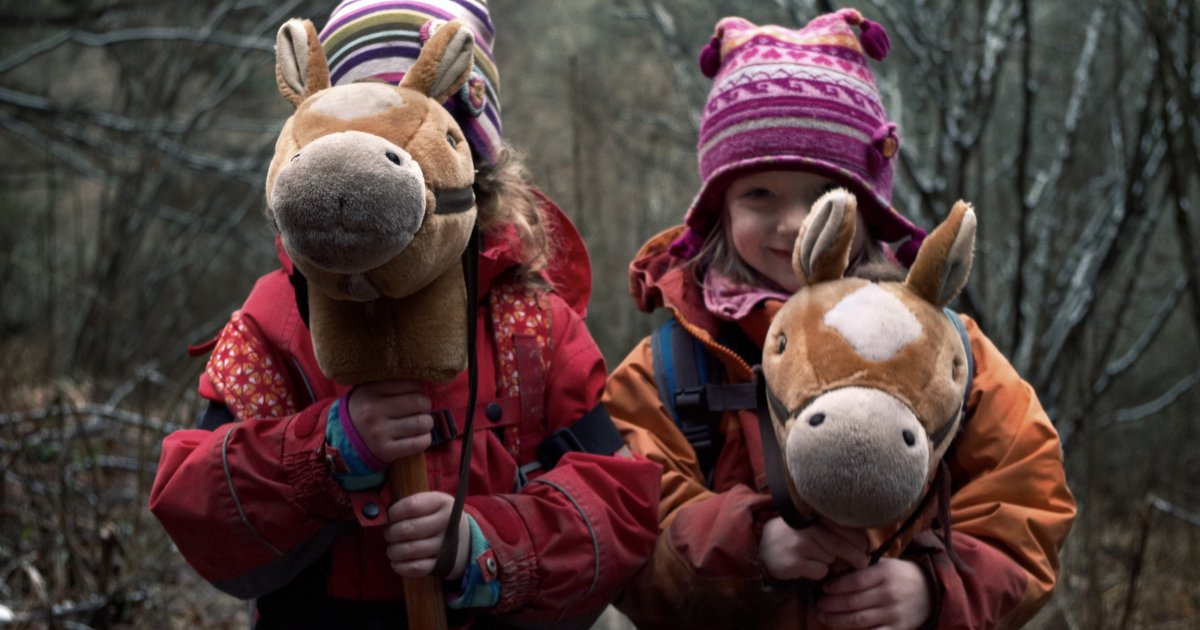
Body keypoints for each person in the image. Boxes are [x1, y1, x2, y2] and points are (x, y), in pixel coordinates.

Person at [149, 1, 661, 628]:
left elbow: (622, 504)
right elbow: (193, 502)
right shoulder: (276, 322)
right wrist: (328, 451)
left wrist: (490, 545)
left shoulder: (529, 323)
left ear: (473, 161)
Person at [603, 8, 1076, 630]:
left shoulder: (940, 347)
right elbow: (627, 530)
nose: (793, 224)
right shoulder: (670, 366)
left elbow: (1027, 496)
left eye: (821, 196)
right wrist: (751, 547)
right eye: (758, 195)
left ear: (871, 207)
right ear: (717, 208)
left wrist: (935, 589)